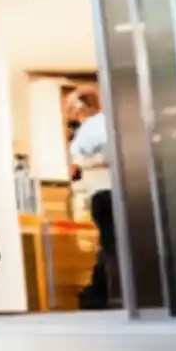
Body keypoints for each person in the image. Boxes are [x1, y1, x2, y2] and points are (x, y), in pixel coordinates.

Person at [67, 86, 115, 310]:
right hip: (104, 191)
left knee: (110, 243)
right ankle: (104, 290)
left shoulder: (94, 126)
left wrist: (83, 162)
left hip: (103, 192)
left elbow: (87, 157)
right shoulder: (99, 125)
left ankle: (105, 291)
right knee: (110, 243)